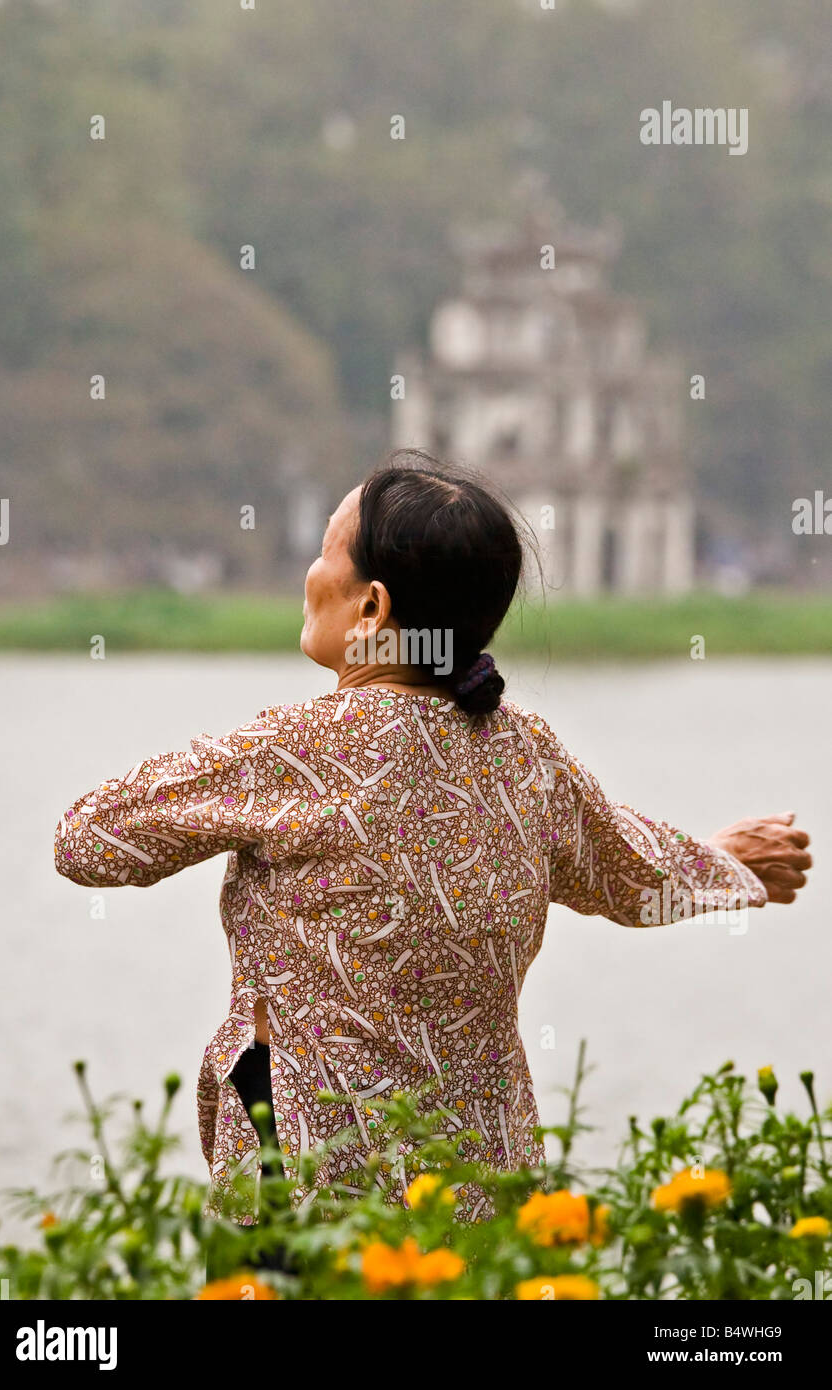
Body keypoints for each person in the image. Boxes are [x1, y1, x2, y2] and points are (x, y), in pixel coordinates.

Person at [54, 450, 811, 1221]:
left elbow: (84, 840)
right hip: (481, 1192)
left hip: (313, 1186)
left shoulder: (297, 750)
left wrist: (228, 787)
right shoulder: (527, 754)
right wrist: (728, 864)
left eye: (324, 552)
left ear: (372, 608)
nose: (309, 574)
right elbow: (628, 871)